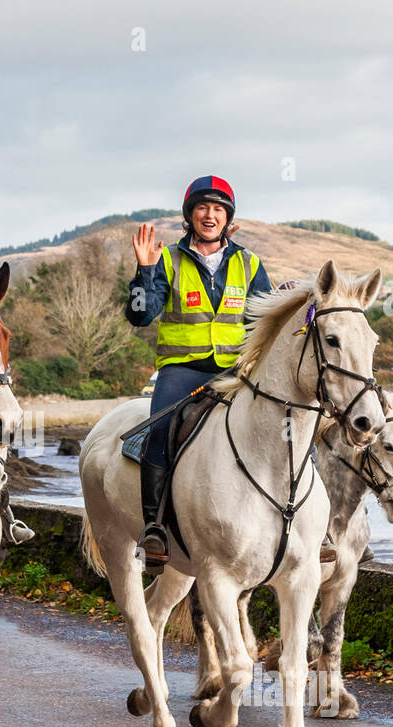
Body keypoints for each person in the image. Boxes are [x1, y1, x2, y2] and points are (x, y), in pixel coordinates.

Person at [126, 175, 272, 574]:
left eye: (219, 209)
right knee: (159, 430)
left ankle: (314, 525)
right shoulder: (167, 260)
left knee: (287, 417)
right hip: (183, 370)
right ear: (190, 215)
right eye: (203, 208)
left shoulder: (249, 263)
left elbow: (266, 318)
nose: (211, 215)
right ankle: (155, 527)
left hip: (236, 368)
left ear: (228, 218)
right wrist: (143, 271)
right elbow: (141, 315)